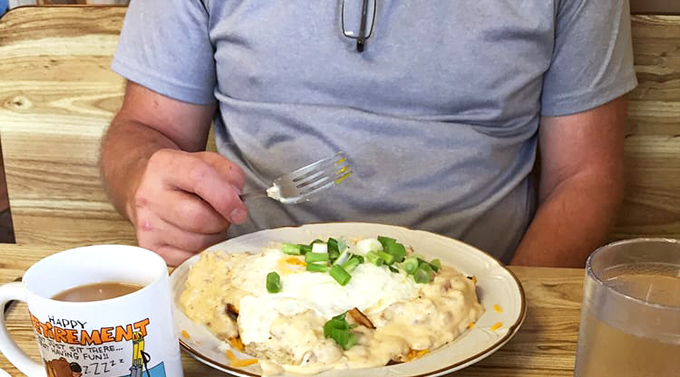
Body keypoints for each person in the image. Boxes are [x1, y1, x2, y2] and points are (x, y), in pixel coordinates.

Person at [101, 1, 636, 268]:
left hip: (478, 306)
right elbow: (146, 130)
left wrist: (503, 307)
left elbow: (585, 174)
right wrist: (142, 183)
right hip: (247, 304)